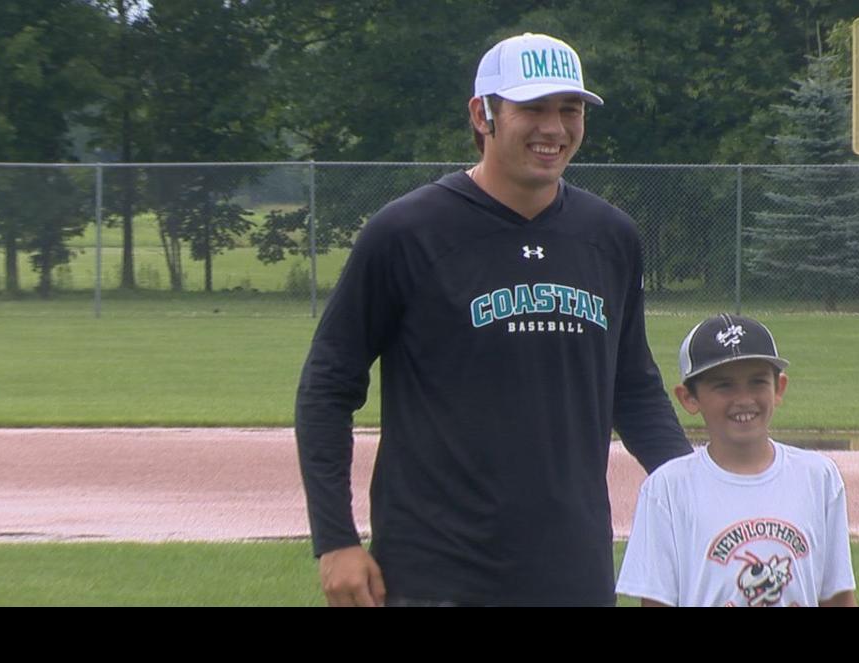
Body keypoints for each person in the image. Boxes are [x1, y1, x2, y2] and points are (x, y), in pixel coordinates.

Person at [295, 32, 691, 607]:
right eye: (532, 108)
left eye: (569, 109)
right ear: (482, 114)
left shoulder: (609, 236)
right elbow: (328, 386)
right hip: (435, 571)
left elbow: (632, 389)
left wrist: (700, 498)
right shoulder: (407, 233)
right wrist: (335, 540)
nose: (553, 128)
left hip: (572, 567)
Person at [616, 314, 858, 607]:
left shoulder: (818, 477)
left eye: (757, 382)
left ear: (779, 388)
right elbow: (657, 602)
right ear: (689, 398)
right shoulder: (666, 488)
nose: (744, 398)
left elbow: (837, 595)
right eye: (724, 385)